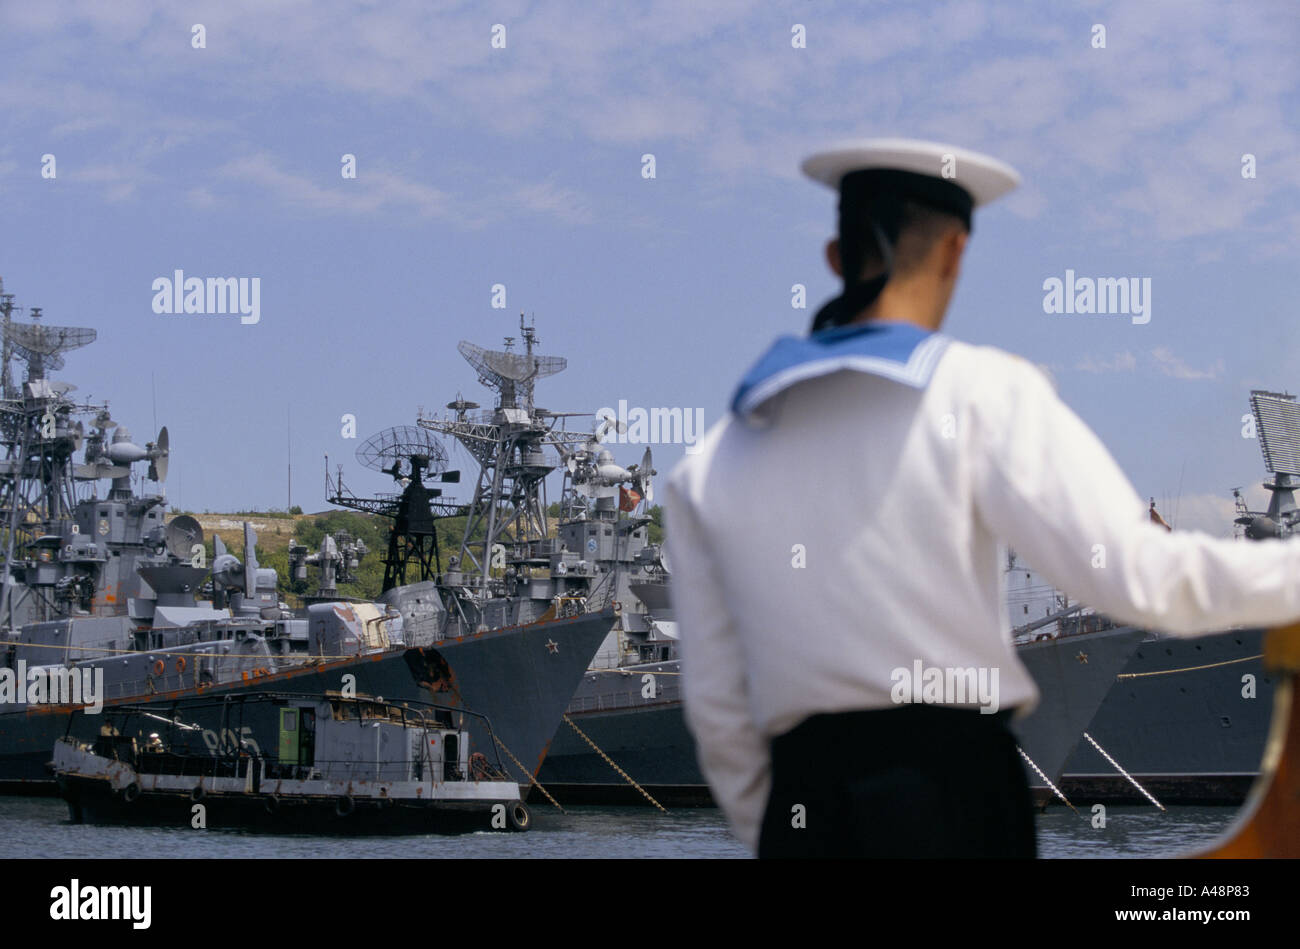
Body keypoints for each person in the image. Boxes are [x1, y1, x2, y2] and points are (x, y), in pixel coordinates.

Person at [662, 139, 1300, 858]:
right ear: (955, 252)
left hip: (805, 806)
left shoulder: (706, 466)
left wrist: (785, 828)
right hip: (955, 797)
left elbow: (718, 714)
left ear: (836, 258)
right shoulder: (986, 394)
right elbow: (1139, 577)